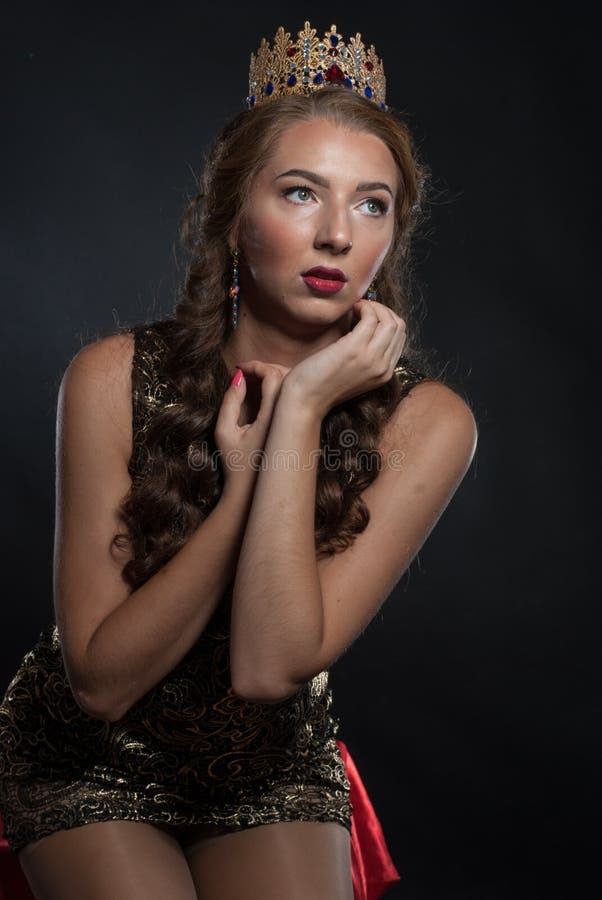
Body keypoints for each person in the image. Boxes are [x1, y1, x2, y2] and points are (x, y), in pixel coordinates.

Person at [0, 20, 478, 900]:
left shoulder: (429, 420)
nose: (337, 233)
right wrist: (245, 485)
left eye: (372, 204)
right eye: (302, 193)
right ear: (233, 212)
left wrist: (298, 410)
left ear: (392, 235)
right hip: (88, 756)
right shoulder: (110, 378)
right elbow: (101, 685)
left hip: (269, 763)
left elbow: (267, 668)